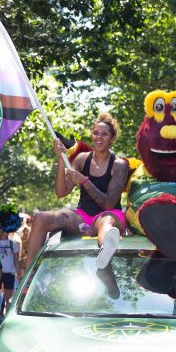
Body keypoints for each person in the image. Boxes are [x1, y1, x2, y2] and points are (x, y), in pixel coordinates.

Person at [24, 113, 129, 270]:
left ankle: (105, 257)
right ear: (91, 135)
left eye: (104, 134)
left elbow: (108, 204)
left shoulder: (119, 164)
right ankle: (29, 272)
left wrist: (85, 181)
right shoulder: (81, 159)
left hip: (108, 215)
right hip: (83, 217)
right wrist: (61, 159)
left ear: (112, 138)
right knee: (40, 217)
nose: (99, 137)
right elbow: (61, 192)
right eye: (96, 133)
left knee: (106, 224)